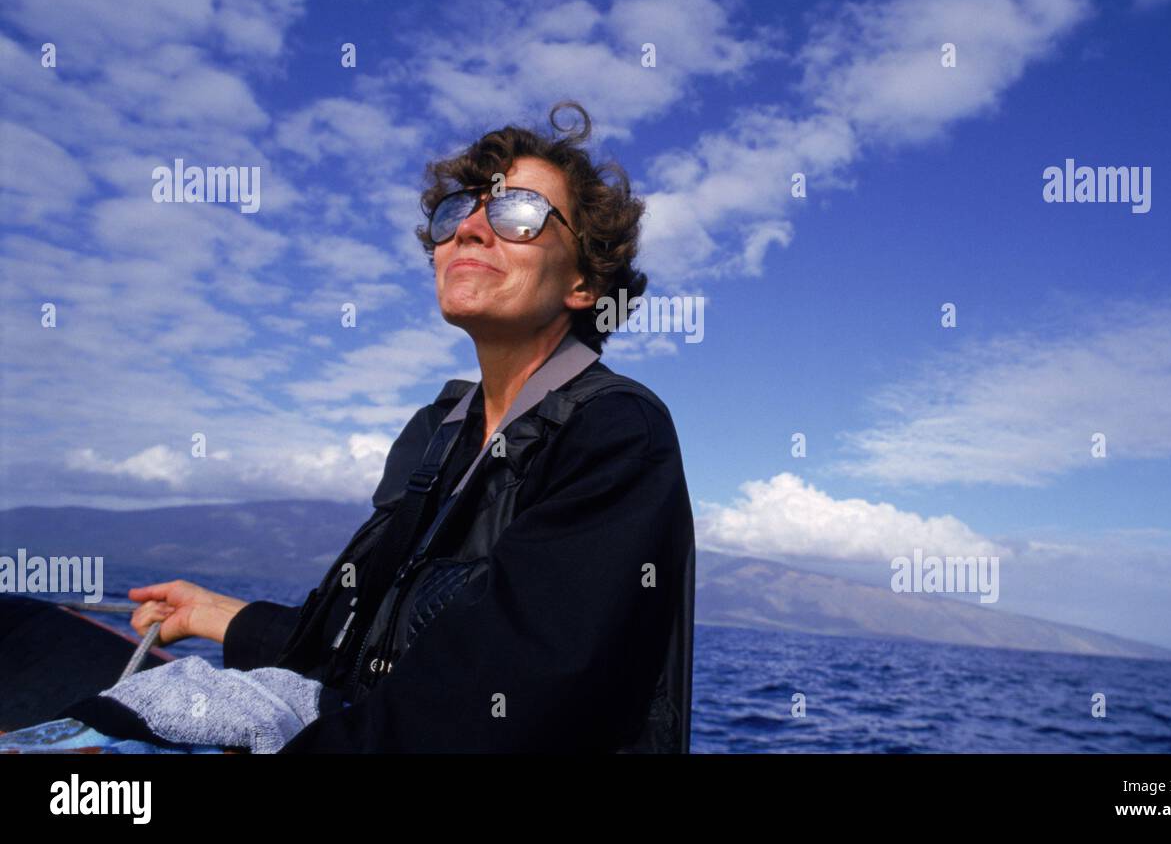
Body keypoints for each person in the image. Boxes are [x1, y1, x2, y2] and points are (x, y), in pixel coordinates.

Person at [58, 101, 696, 753]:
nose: (472, 228)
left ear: (585, 281)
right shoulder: (437, 435)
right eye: (459, 210)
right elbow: (364, 653)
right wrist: (221, 615)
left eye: (519, 212)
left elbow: (485, 709)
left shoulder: (616, 433)